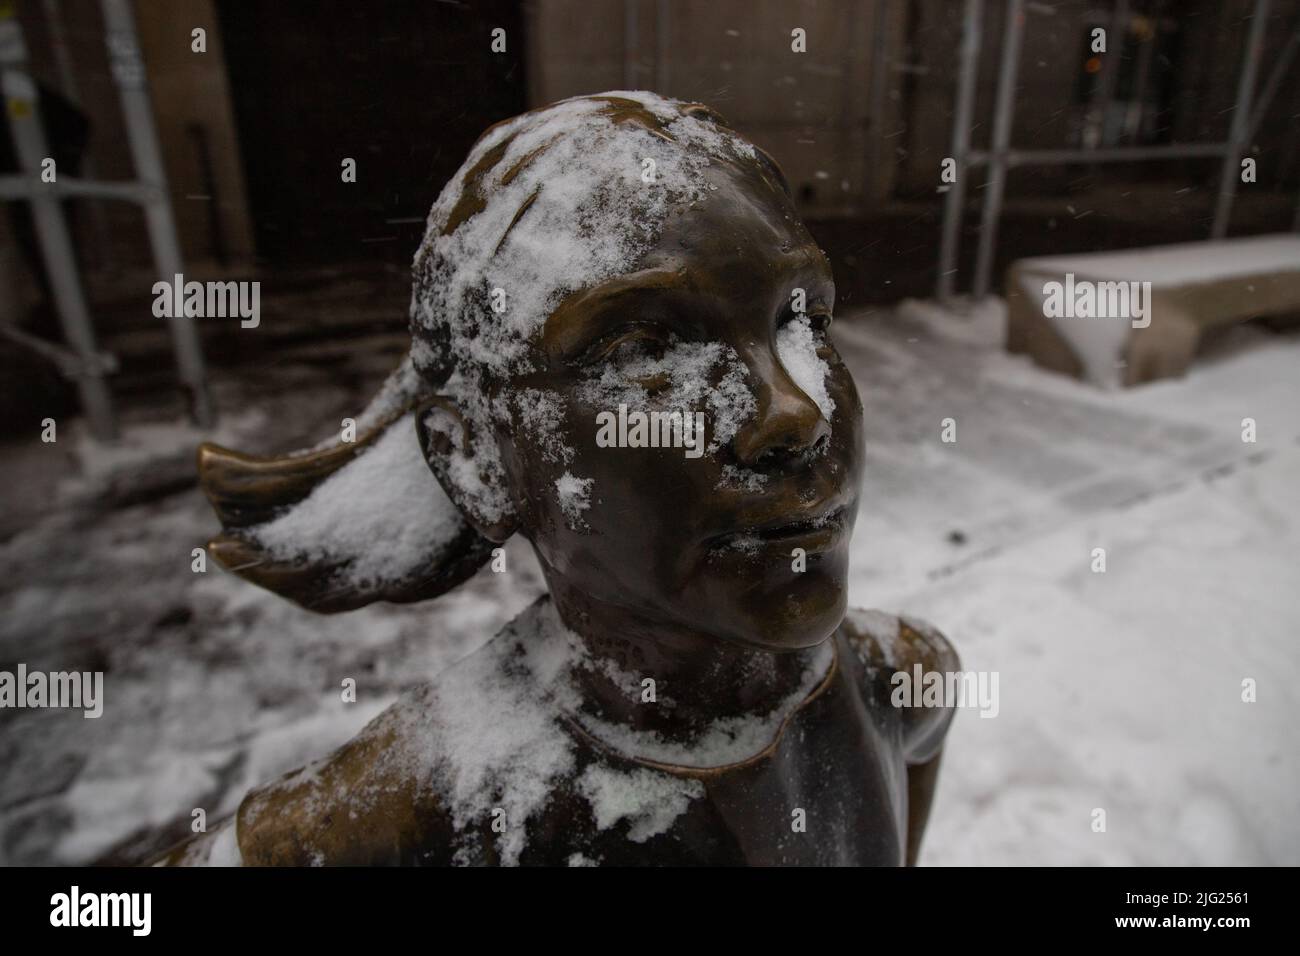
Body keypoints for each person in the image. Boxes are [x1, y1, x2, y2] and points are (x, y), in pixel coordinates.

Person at [158, 92, 959, 867]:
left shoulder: (902, 676)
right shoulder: (412, 810)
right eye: (644, 348)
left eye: (800, 318)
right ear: (475, 459)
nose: (794, 412)